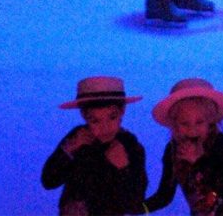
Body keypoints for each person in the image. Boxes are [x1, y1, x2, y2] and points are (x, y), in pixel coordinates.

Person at [41, 77, 147, 216]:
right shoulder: (77, 138)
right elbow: (49, 181)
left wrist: (123, 168)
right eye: (95, 120)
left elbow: (135, 204)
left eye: (112, 117)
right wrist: (67, 151)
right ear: (84, 116)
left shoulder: (130, 146)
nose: (105, 127)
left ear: (122, 111)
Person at [145, 79, 223, 215]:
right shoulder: (173, 150)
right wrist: (139, 207)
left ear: (210, 121)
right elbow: (165, 195)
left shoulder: (222, 144)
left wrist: (198, 161)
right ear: (174, 124)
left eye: (199, 122)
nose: (192, 130)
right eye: (184, 123)